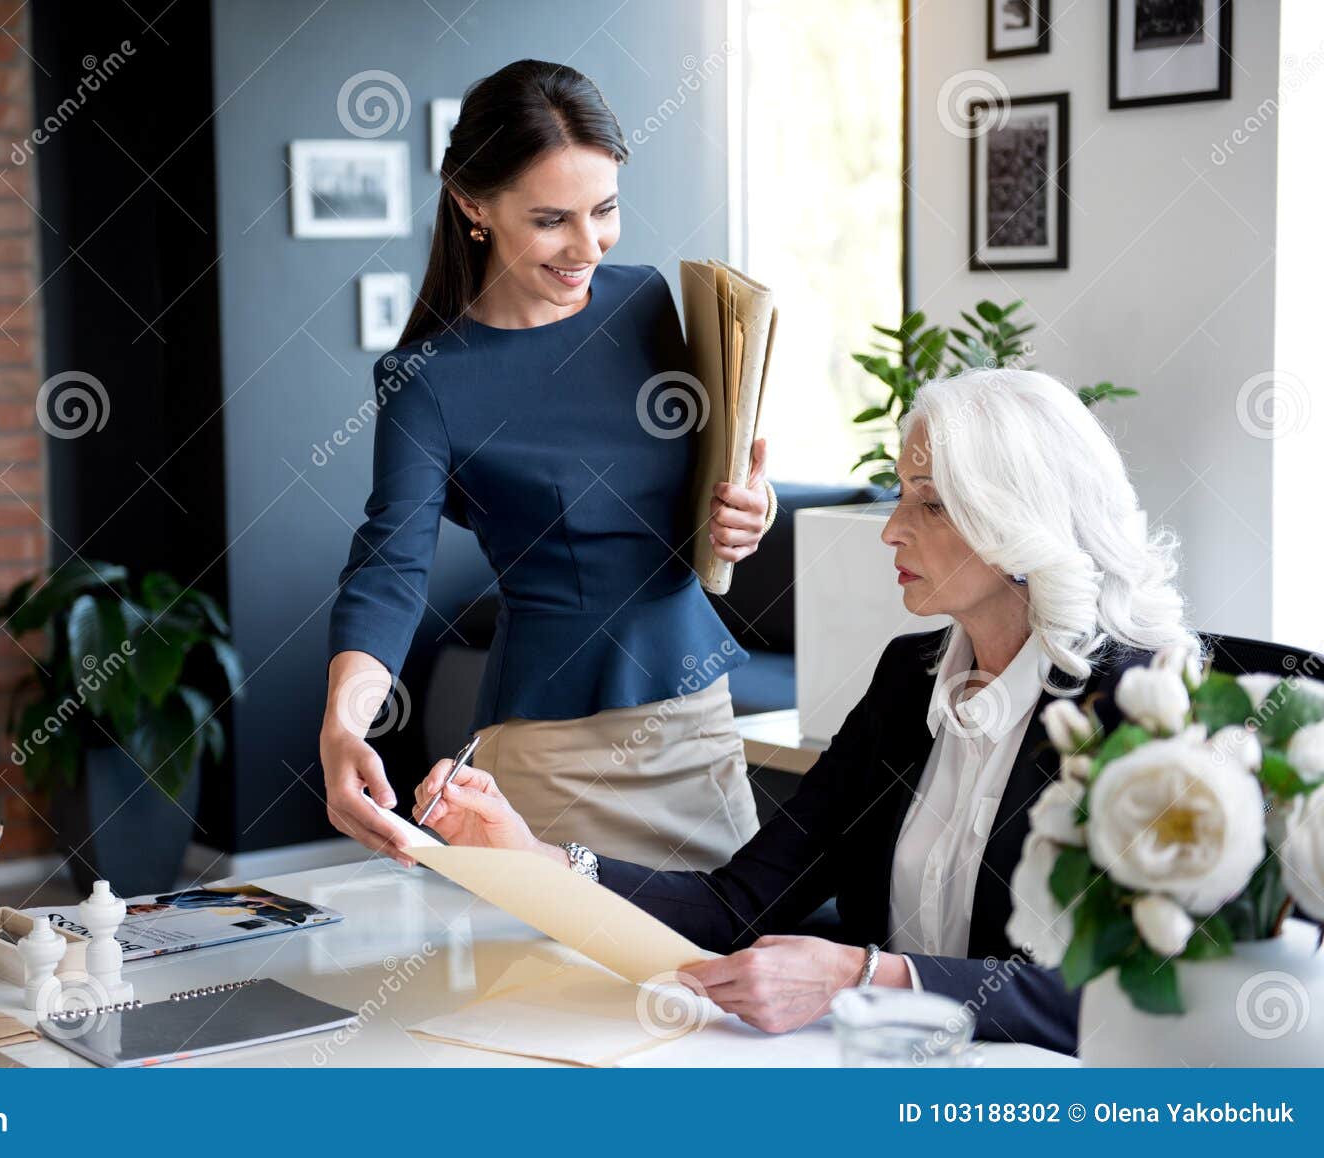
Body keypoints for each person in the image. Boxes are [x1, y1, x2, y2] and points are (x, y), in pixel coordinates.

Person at [403, 368, 1200, 1055]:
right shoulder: (907, 681)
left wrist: (866, 976)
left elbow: (1138, 990)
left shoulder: (1138, 709)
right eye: (900, 496)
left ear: (1017, 521)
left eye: (929, 505)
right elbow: (735, 906)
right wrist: (531, 854)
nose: (891, 528)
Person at [322, 59, 775, 872]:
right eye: (551, 220)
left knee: (733, 972)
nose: (586, 245)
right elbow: (389, 569)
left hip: (700, 722)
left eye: (604, 210)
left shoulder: (643, 302)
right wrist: (344, 726)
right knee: (569, 992)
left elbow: (704, 475)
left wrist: (750, 506)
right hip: (558, 753)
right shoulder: (427, 383)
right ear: (474, 205)